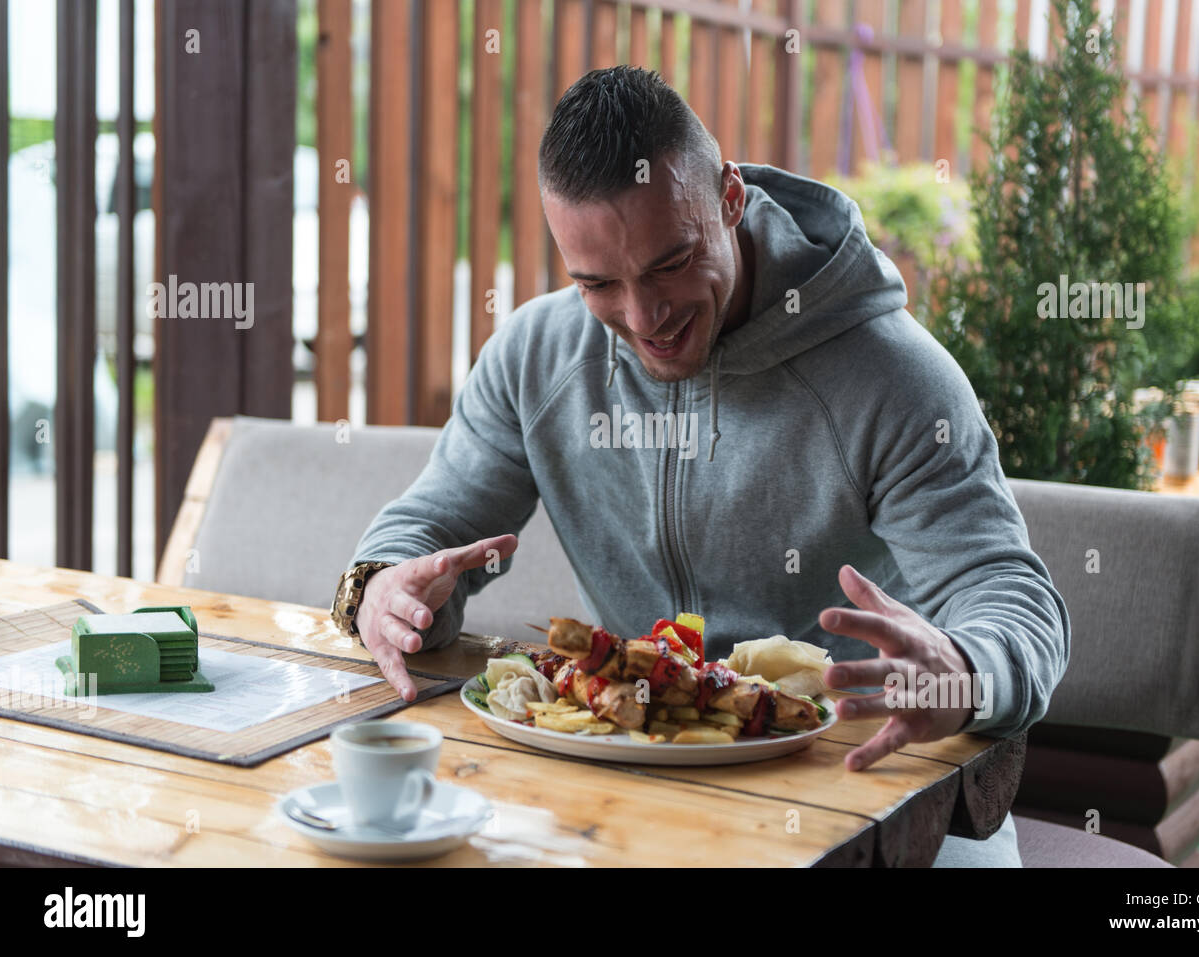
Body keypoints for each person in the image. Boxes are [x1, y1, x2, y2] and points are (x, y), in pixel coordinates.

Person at [330, 66, 1070, 866]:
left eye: (671, 263)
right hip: (630, 802)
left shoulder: (893, 378)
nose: (644, 318)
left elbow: (1014, 602)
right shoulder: (534, 359)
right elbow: (427, 528)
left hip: (873, 795)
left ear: (729, 200)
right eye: (598, 283)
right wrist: (384, 589)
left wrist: (960, 668)